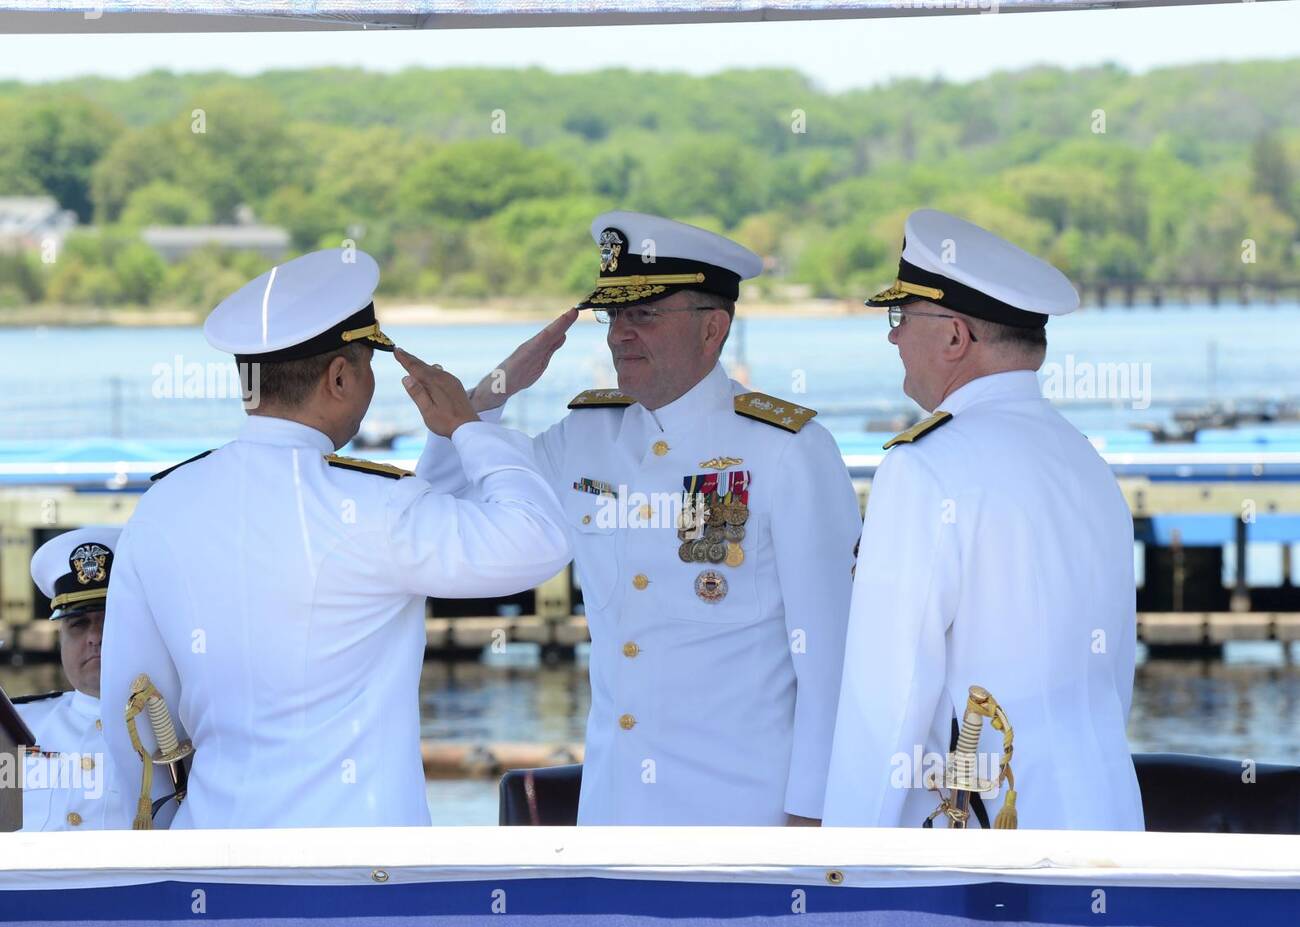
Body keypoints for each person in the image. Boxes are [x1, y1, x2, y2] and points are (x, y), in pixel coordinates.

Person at [410, 211, 862, 824]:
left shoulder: (787, 450)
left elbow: (830, 656)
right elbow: (443, 505)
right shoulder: (586, 437)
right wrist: (491, 393)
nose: (620, 335)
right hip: (614, 810)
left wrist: (813, 823)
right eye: (613, 315)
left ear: (713, 329)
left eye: (644, 315)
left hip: (741, 819)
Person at [99, 248, 570, 829]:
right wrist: (467, 427)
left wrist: (481, 407)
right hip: (363, 875)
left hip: (213, 859)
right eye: (367, 366)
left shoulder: (162, 506)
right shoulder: (376, 506)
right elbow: (537, 538)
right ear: (340, 377)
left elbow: (135, 709)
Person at [823, 209, 1145, 831]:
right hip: (1108, 821)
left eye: (901, 318)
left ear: (953, 337)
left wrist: (843, 861)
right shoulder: (1084, 459)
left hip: (991, 838)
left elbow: (886, 699)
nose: (892, 338)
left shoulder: (925, 468)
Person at [16, 527, 126, 830]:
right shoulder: (14, 729)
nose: (95, 637)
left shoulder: (176, 731)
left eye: (111, 619)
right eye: (78, 624)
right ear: (59, 640)